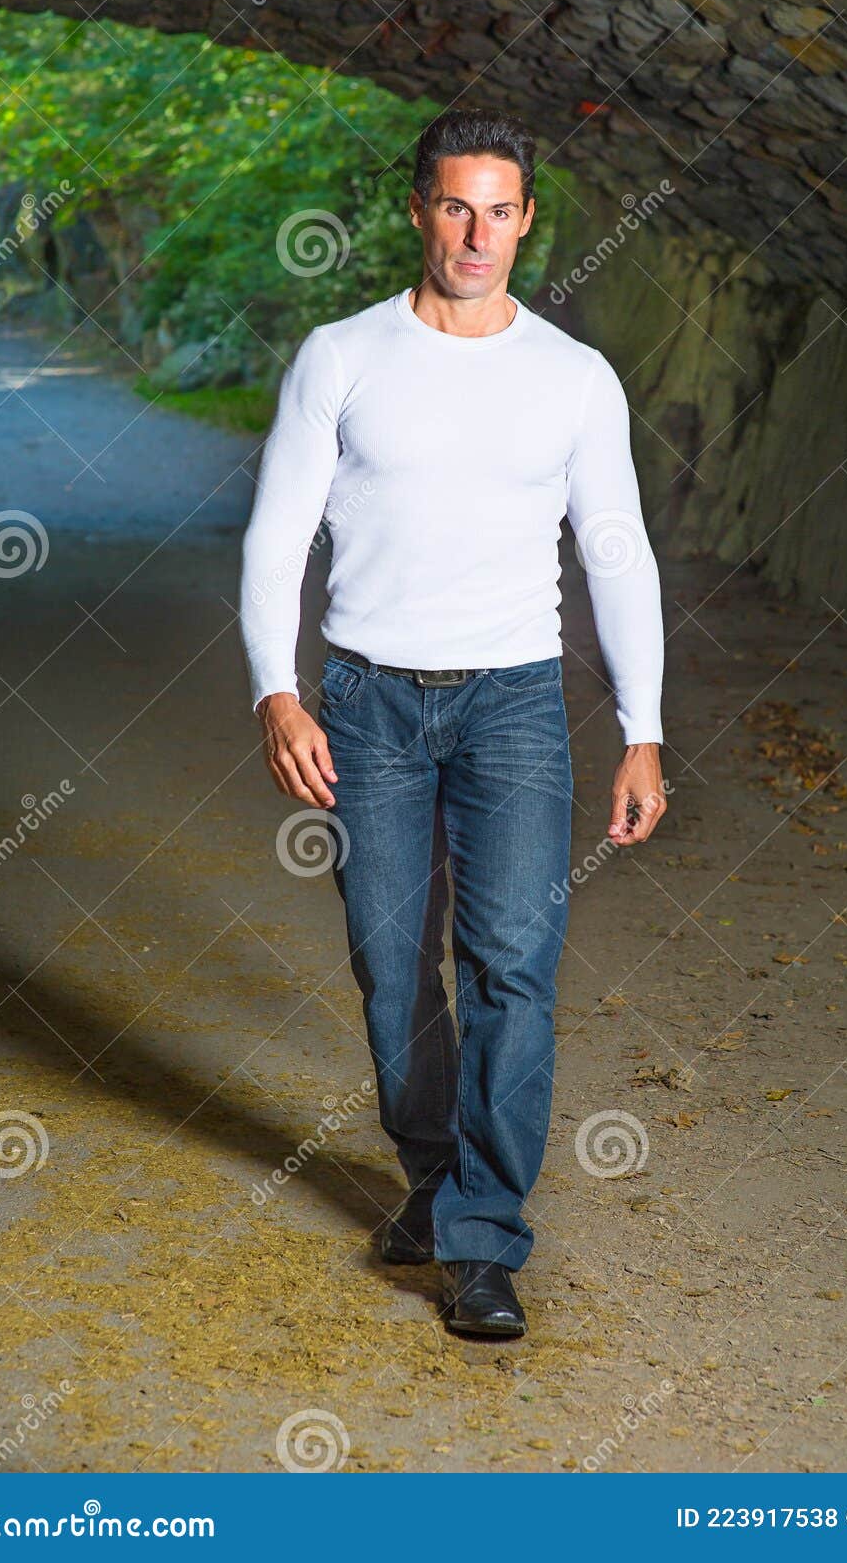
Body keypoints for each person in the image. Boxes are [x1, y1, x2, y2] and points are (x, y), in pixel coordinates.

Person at [239, 106, 666, 1338]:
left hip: (513, 703)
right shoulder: (341, 356)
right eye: (454, 207)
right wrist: (277, 690)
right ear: (418, 210)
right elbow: (277, 535)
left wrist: (640, 727)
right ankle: (431, 1176)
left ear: (526, 222)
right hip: (366, 700)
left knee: (510, 964)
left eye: (500, 211)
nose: (477, 235)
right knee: (390, 963)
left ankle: (481, 1235)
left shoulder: (573, 378)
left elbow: (616, 551)